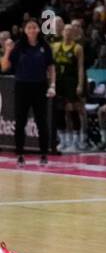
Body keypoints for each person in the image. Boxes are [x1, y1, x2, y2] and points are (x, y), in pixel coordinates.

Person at [1, 19, 55, 164]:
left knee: (41, 121)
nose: (32, 30)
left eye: (34, 27)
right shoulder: (18, 46)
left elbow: (51, 67)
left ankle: (44, 154)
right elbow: (5, 67)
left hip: (40, 86)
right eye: (29, 27)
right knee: (20, 121)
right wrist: (7, 50)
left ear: (38, 29)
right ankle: (19, 155)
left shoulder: (44, 46)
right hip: (22, 87)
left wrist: (53, 85)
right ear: (25, 30)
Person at [52, 20, 86, 152]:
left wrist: (80, 84)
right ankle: (63, 140)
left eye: (70, 30)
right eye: (66, 30)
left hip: (71, 81)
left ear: (73, 33)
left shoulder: (77, 48)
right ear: (62, 32)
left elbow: (80, 68)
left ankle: (76, 141)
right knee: (59, 110)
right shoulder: (55, 46)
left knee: (72, 109)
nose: (68, 32)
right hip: (59, 81)